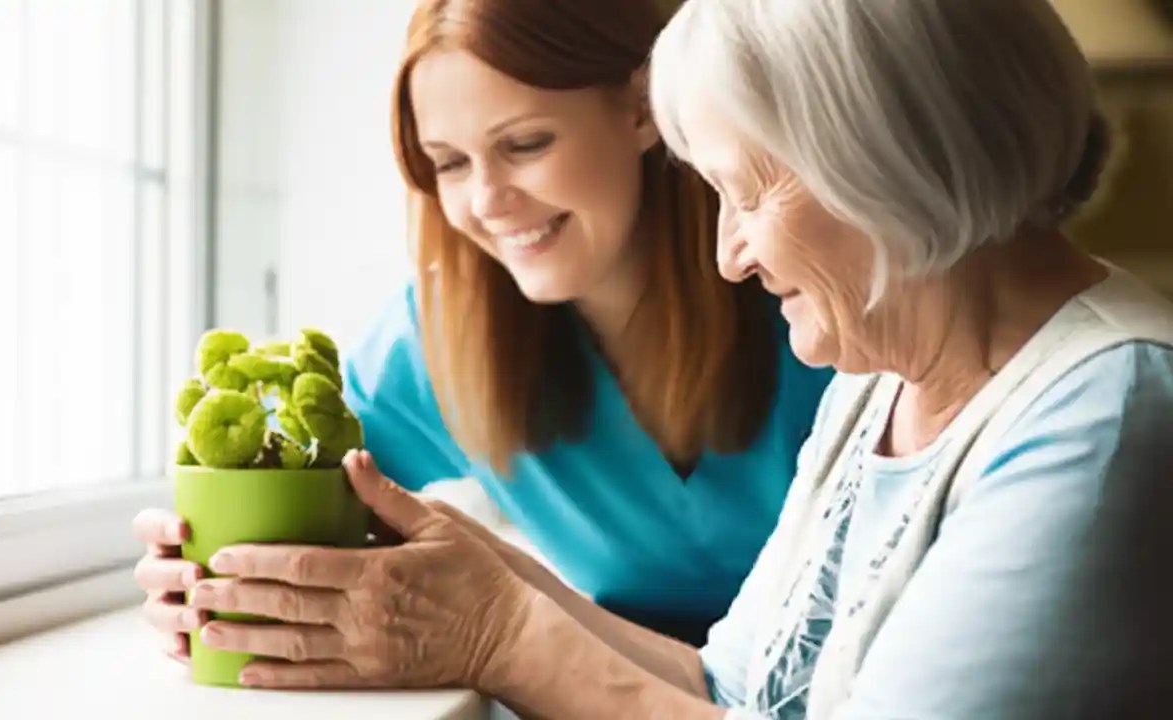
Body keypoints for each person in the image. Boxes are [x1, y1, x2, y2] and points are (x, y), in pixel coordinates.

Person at [143, 0, 1173, 717]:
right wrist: (483, 583)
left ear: (889, 160)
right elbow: (732, 691)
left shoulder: (1106, 419)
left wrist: (500, 638)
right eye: (449, 164)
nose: (726, 253)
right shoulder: (876, 375)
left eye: (748, 192)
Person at [131, 0, 832, 661]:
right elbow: (305, 502)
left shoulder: (814, 290)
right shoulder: (434, 343)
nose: (487, 202)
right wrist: (204, 568)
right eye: (450, 163)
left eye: (525, 144)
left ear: (644, 108)